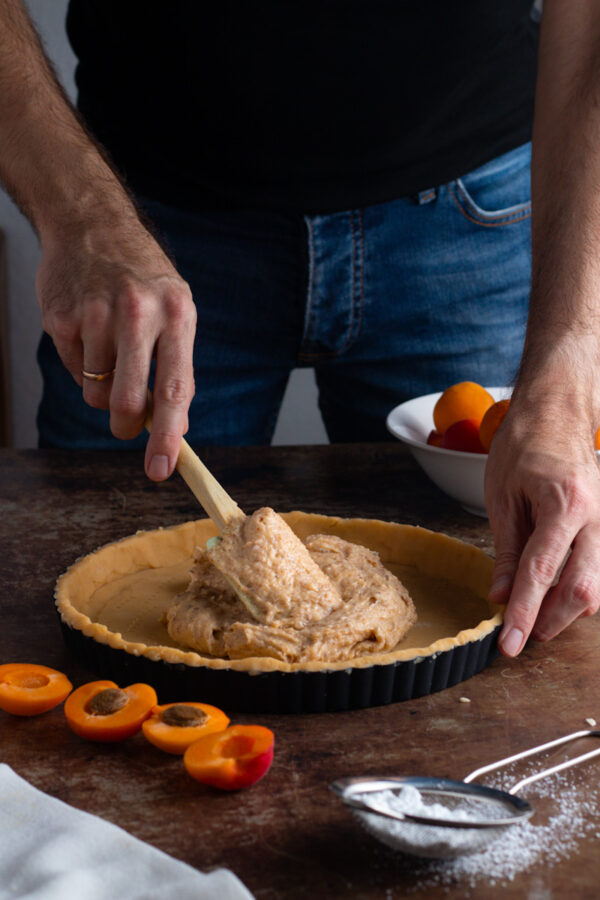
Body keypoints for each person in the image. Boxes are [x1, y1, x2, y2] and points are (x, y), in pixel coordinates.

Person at [0, 0, 598, 659]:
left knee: (508, 599)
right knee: (81, 622)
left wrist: (567, 372)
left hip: (469, 206)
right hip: (139, 225)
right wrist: (82, 217)